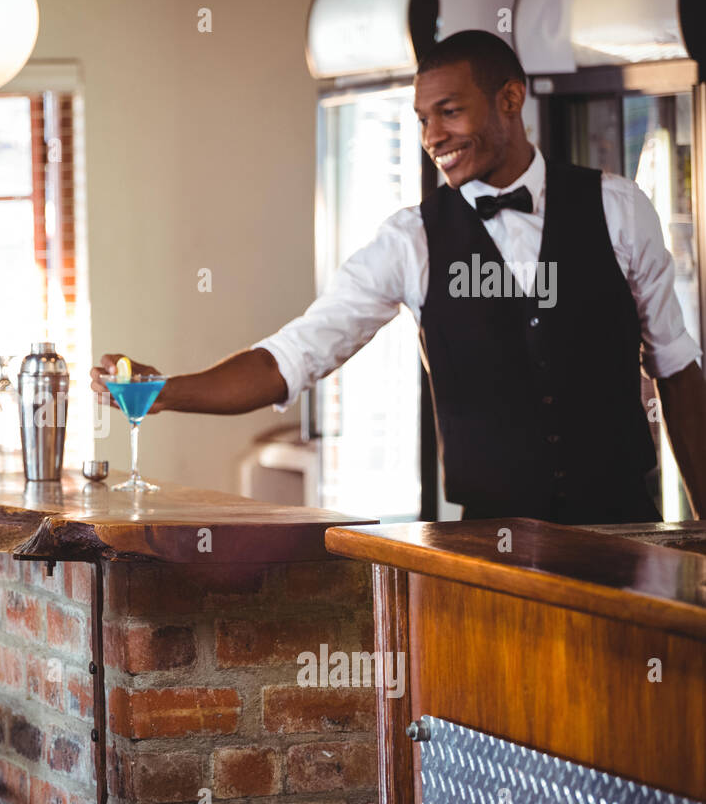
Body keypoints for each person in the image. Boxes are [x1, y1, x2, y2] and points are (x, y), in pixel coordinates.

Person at [92, 30, 706, 526]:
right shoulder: (410, 240)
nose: (432, 137)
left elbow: (677, 370)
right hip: (487, 554)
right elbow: (292, 357)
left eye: (449, 112)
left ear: (510, 101)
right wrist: (164, 390)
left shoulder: (620, 209)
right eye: (421, 119)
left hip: (628, 536)